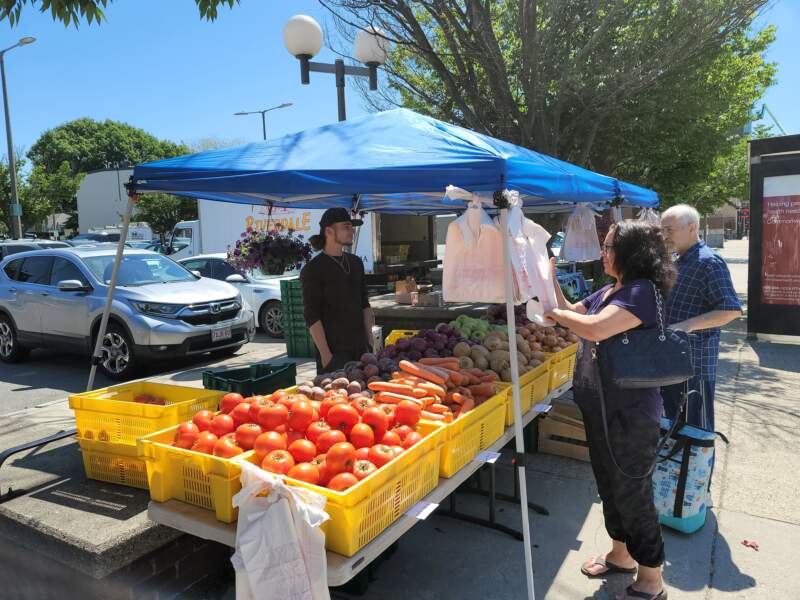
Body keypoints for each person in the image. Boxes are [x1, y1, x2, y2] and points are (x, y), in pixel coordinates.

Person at [545, 220, 675, 600]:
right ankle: (621, 555)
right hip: (600, 406)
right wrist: (548, 276)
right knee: (609, 484)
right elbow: (571, 311)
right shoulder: (613, 290)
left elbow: (594, 329)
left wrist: (560, 316)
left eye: (608, 246)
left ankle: (651, 579)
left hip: (631, 413)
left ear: (629, 252)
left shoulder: (642, 293)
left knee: (633, 491)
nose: (602, 252)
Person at [660, 204, 742, 431]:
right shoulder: (680, 261)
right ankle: (678, 467)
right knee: (675, 427)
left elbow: (730, 310)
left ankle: (697, 467)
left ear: (692, 227)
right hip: (674, 360)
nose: (665, 235)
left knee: (696, 429)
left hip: (696, 364)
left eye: (670, 229)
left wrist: (686, 325)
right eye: (663, 230)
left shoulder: (709, 263)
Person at [301, 208, 374, 373]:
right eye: (346, 227)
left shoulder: (356, 262)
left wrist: (369, 339)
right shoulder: (313, 269)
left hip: (362, 350)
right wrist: (326, 355)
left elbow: (364, 303)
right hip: (334, 354)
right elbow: (312, 316)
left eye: (351, 227)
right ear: (329, 231)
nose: (352, 231)